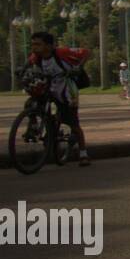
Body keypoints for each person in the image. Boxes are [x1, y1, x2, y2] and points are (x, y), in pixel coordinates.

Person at [28, 31, 92, 166]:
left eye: (38, 44)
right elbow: (27, 65)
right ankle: (34, 126)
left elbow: (86, 52)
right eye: (33, 44)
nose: (34, 47)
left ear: (50, 46)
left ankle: (83, 153)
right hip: (48, 87)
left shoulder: (62, 53)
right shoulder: (36, 57)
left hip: (66, 90)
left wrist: (79, 68)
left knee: (73, 123)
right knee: (31, 103)